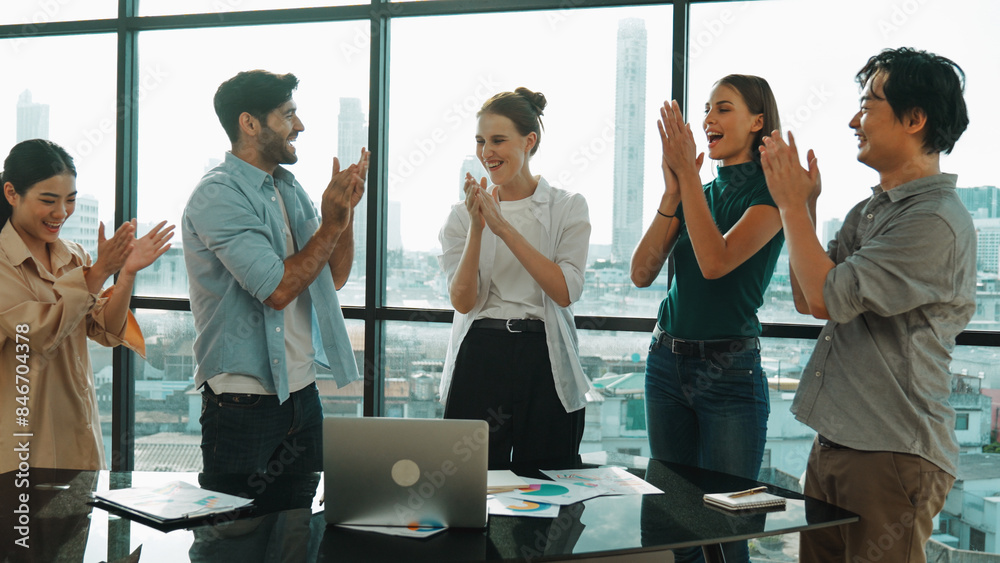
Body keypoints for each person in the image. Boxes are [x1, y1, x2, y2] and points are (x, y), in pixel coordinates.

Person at [759, 47, 974, 563]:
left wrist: (790, 204)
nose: (854, 120)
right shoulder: (869, 210)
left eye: (868, 104)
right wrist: (805, 207)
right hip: (838, 441)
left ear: (915, 119)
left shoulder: (935, 222)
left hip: (893, 450)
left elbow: (827, 293)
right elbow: (812, 300)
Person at [183, 70, 369, 475]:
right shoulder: (217, 195)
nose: (299, 126)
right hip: (242, 402)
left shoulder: (288, 187)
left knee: (298, 530)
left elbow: (330, 278)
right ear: (249, 124)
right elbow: (278, 290)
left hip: (302, 394)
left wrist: (346, 215)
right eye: (288, 115)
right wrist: (331, 225)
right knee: (233, 532)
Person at [631, 75, 784, 563]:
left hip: (729, 375)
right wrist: (673, 191)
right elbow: (640, 271)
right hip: (665, 365)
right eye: (706, 109)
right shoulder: (699, 191)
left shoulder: (773, 194)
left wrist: (689, 183)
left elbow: (716, 262)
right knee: (672, 522)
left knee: (724, 528)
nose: (708, 120)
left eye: (723, 109)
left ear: (757, 122)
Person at [439, 87, 596, 467]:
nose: (486, 152)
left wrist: (503, 227)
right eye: (480, 141)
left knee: (548, 481)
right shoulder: (462, 216)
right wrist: (478, 228)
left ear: (529, 141)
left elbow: (564, 290)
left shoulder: (567, 207)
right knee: (469, 482)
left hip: (543, 356)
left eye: (497, 140)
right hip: (481, 354)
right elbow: (462, 301)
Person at [0, 139, 173, 472]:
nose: (61, 213)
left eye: (70, 200)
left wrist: (125, 275)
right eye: (48, 201)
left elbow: (105, 331)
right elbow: (39, 334)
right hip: (22, 445)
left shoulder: (74, 255)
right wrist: (99, 272)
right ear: (11, 194)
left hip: (78, 435)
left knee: (78, 524)